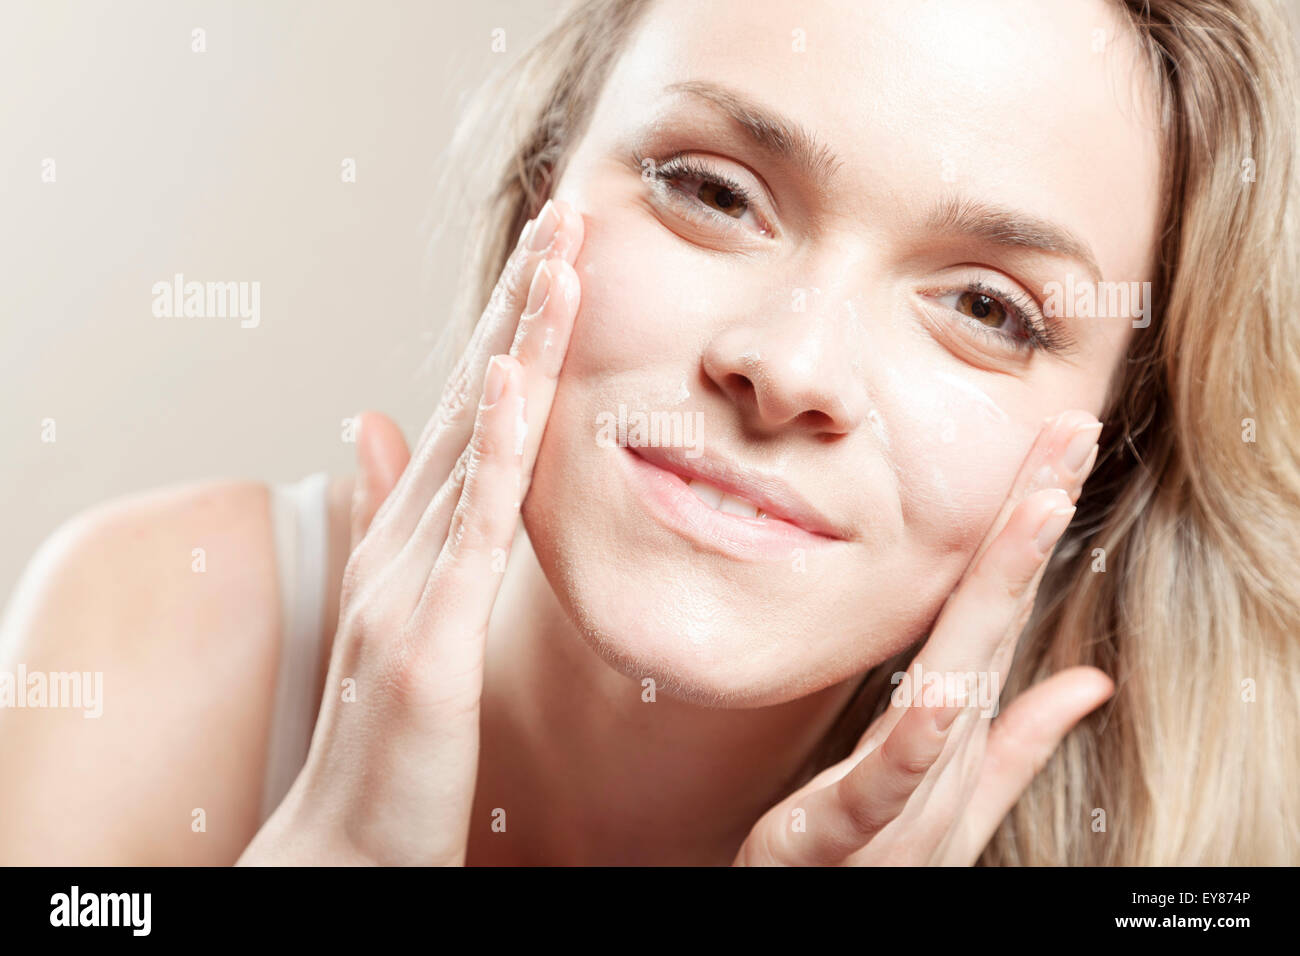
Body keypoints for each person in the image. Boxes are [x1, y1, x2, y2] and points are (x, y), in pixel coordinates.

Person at [2, 0, 1297, 865]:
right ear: (536, 197)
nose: (787, 367)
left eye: (985, 309)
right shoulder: (154, 626)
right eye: (711, 192)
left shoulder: (1191, 846)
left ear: (1111, 453)